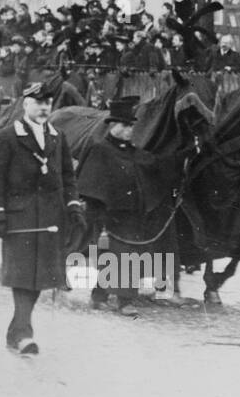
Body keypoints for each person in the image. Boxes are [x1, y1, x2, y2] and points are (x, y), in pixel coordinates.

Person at [0, 81, 84, 354]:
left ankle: (15, 331)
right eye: (37, 103)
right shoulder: (7, 136)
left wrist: (73, 205)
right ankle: (23, 334)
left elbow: (68, 176)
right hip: (20, 217)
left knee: (41, 276)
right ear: (25, 104)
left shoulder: (57, 136)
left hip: (51, 217)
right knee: (22, 275)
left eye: (47, 103)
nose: (43, 108)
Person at [76, 97, 183, 315]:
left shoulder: (133, 151)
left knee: (127, 255)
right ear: (112, 125)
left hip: (132, 215)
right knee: (119, 255)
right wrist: (99, 214)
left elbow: (154, 164)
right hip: (110, 215)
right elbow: (90, 184)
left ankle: (100, 295)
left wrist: (181, 159)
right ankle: (124, 301)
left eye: (132, 126)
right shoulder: (100, 149)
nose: (129, 130)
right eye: (125, 126)